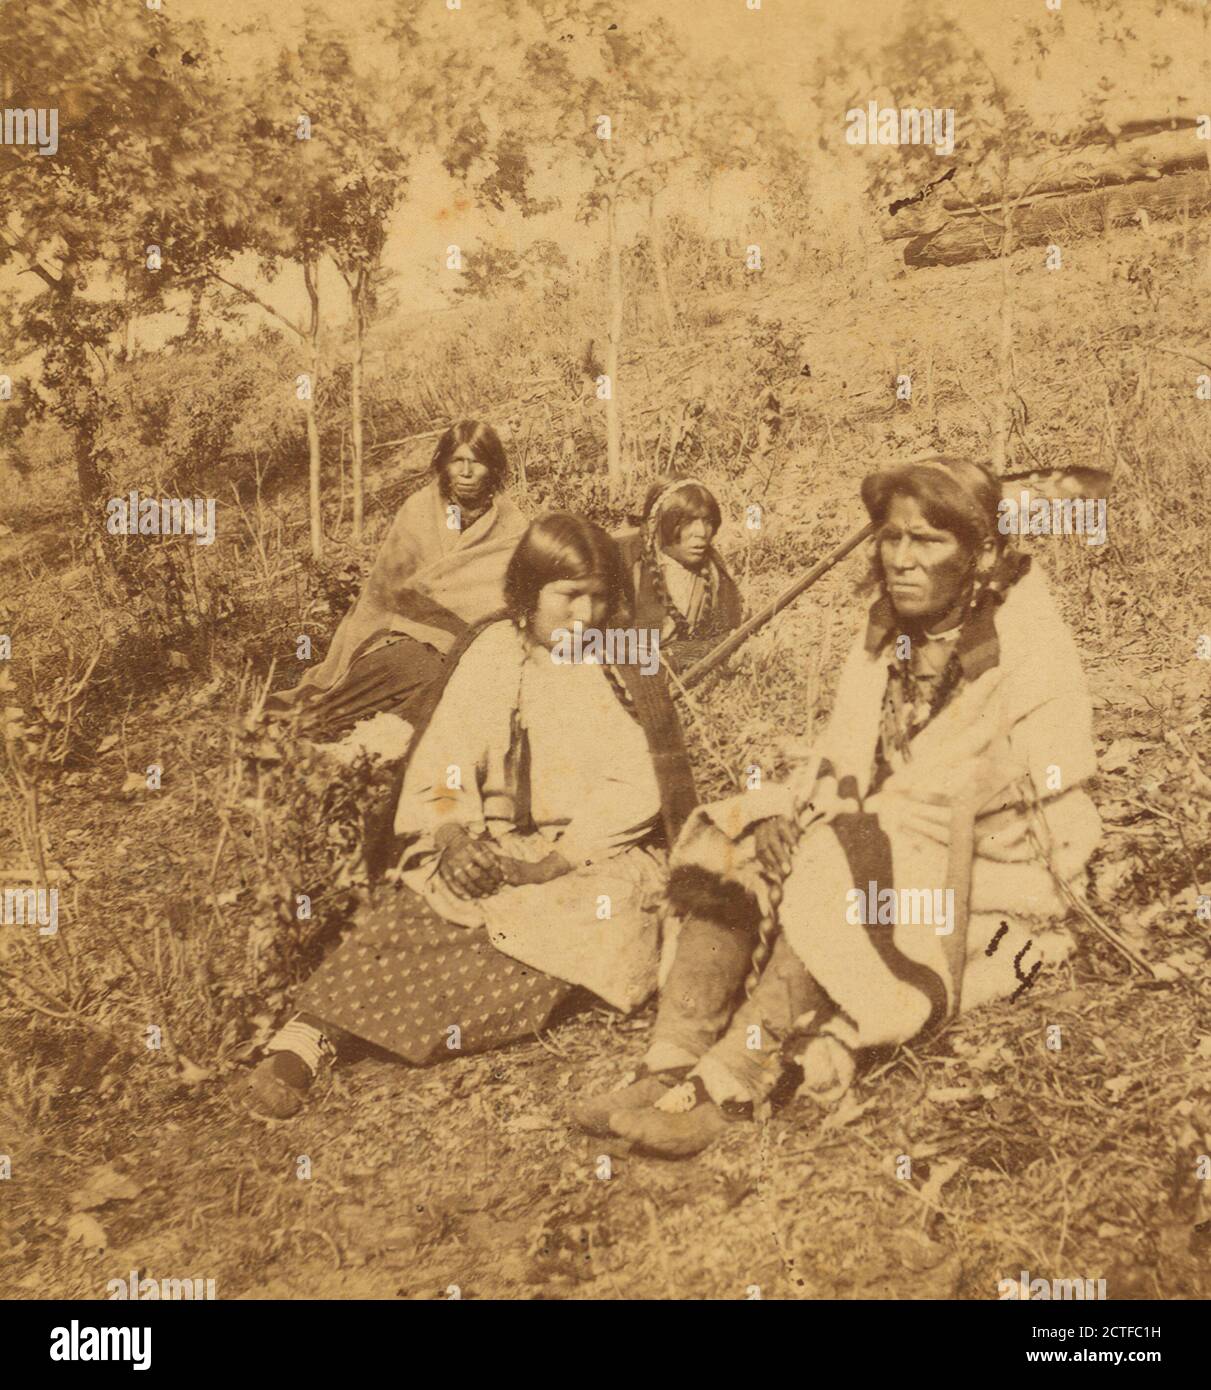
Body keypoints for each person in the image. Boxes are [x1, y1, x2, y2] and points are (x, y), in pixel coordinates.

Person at [575, 457, 1102, 1157]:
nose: (903, 561)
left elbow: (1041, 781)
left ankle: (733, 1081)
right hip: (883, 829)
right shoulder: (884, 628)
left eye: (928, 542)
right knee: (738, 830)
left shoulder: (1026, 639)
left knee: (840, 862)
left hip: (987, 866)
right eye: (891, 539)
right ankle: (671, 1059)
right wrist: (804, 812)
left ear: (980, 553)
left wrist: (860, 823)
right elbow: (844, 753)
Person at [246, 513, 697, 1119]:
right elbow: (445, 758)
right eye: (568, 597)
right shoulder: (493, 652)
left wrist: (555, 863)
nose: (585, 616)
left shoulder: (616, 660)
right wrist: (456, 834)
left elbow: (644, 781)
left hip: (592, 856)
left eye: (598, 598)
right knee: (433, 897)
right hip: (496, 841)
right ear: (527, 592)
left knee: (589, 921)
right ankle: (314, 1030)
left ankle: (383, 1023)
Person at [266, 420, 527, 741]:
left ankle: (370, 747)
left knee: (447, 694)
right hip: (402, 639)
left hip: (468, 653)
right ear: (443, 465)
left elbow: (514, 600)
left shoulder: (511, 524)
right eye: (457, 461)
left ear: (494, 467)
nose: (466, 472)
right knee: (410, 671)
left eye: (478, 462)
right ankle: (309, 725)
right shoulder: (421, 510)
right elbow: (381, 592)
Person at [616, 478, 743, 675]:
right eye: (687, 522)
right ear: (655, 524)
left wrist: (679, 655)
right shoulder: (625, 560)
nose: (701, 532)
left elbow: (725, 634)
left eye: (707, 521)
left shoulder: (713, 570)